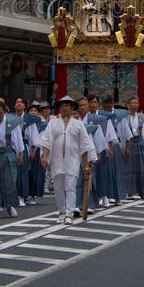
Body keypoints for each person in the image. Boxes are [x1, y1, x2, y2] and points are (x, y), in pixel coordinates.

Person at [39, 95, 93, 224]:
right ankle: (62, 212)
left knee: (70, 186)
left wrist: (86, 163)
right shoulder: (53, 123)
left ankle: (69, 213)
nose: (64, 108)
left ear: (72, 108)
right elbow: (46, 140)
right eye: (62, 106)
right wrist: (44, 156)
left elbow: (84, 144)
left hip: (72, 159)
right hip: (57, 160)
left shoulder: (78, 124)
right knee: (58, 187)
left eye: (67, 106)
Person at [117, 97, 144, 199]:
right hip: (129, 143)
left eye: (136, 103)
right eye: (133, 103)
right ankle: (129, 191)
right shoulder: (124, 117)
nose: (135, 105)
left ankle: (142, 191)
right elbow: (123, 132)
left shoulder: (141, 117)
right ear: (128, 105)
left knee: (141, 168)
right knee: (129, 168)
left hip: (139, 142)